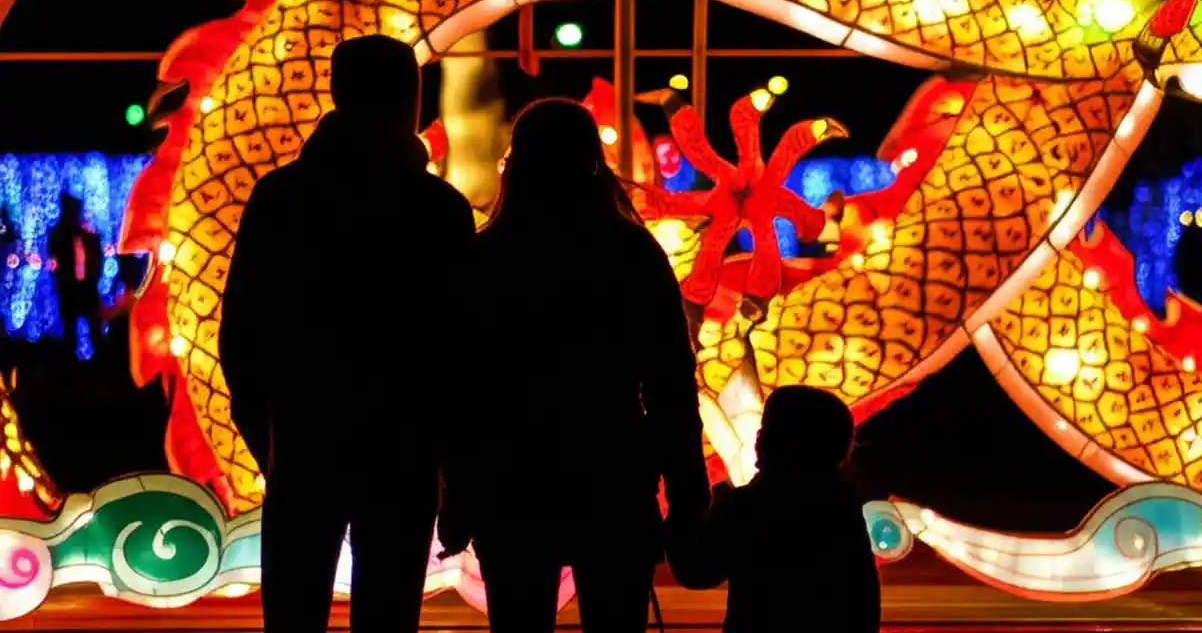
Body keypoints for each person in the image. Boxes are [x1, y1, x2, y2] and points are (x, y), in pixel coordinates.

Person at [220, 34, 476, 633]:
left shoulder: (280, 199)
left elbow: (242, 335)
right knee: (389, 615)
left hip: (306, 439)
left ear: (337, 93)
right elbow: (462, 350)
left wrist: (269, 437)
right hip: (404, 451)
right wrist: (454, 463)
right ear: (410, 101)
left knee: (294, 614)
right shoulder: (438, 209)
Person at [439, 99, 710, 633]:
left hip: (511, 481)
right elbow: (671, 388)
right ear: (592, 163)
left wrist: (459, 495)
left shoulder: (485, 257)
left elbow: (461, 393)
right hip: (612, 475)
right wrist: (686, 494)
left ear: (516, 165)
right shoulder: (632, 253)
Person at [668, 385, 881, 633]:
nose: (758, 436)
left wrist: (683, 492)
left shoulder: (752, 508)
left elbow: (696, 569)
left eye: (768, 427)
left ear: (790, 442)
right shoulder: (843, 510)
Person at [48, 192, 104, 356]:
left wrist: (93, 279)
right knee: (69, 331)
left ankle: (100, 362)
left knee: (94, 328)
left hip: (87, 289)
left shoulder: (87, 236)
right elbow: (55, 263)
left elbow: (97, 259)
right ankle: (70, 364)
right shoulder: (58, 236)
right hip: (69, 289)